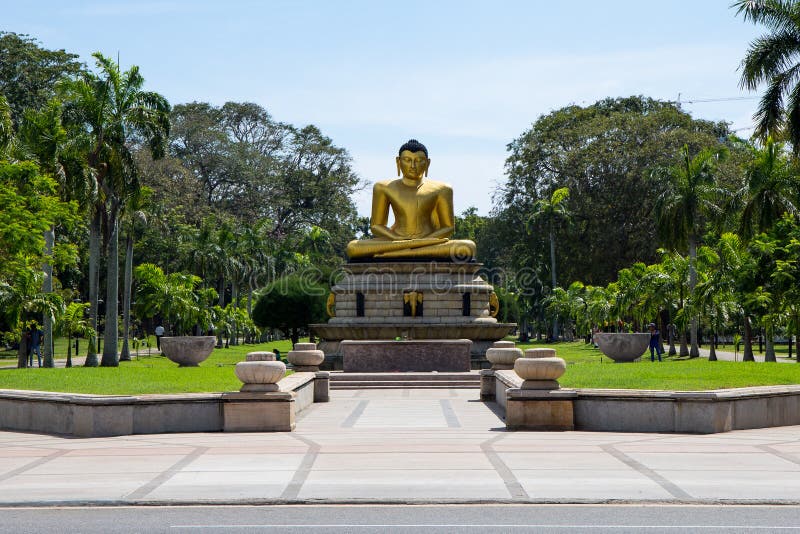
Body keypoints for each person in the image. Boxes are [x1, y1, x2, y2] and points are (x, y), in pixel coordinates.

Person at [345, 139, 477, 260]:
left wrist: (423, 241)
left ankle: (397, 253)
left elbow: (448, 227)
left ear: (427, 163)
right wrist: (397, 239)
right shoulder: (383, 187)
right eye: (407, 160)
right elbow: (376, 226)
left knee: (467, 247)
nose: (413, 165)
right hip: (395, 240)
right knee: (353, 247)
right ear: (398, 162)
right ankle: (409, 251)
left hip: (428, 241)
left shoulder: (442, 189)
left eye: (419, 160)